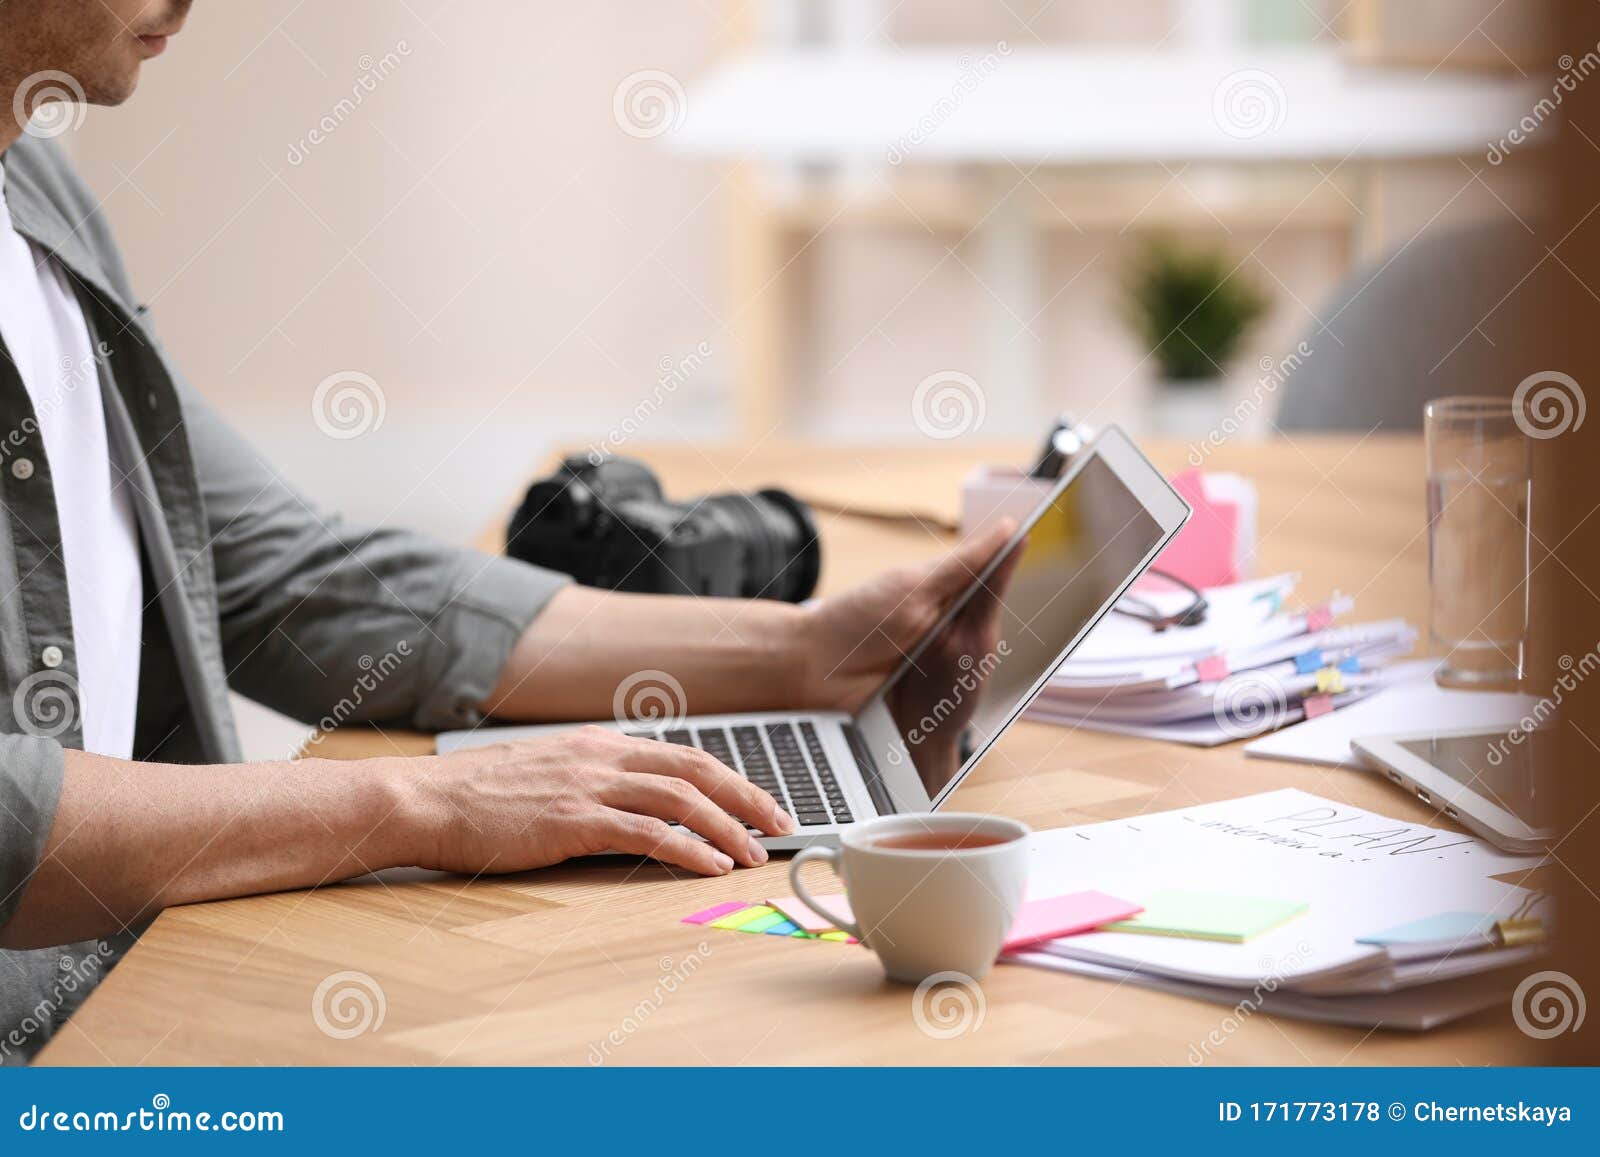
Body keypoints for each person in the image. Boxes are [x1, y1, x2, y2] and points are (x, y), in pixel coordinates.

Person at [0, 0, 1012, 1060]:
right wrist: (423, 801)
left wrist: (802, 655)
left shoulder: (40, 189)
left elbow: (280, 573)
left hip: (136, 995)